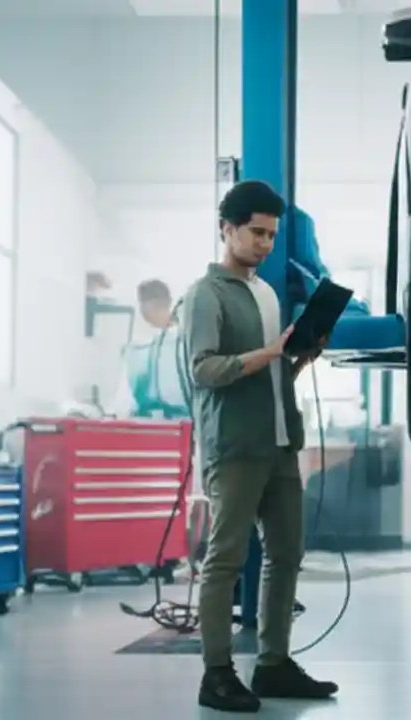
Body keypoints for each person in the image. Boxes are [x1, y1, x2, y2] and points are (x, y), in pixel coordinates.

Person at [182, 180, 337, 713]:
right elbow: (204, 370)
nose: (266, 244)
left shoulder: (267, 294)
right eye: (256, 233)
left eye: (271, 235)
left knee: (286, 553)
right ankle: (217, 674)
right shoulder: (206, 295)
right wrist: (270, 352)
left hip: (279, 443)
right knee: (225, 558)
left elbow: (269, 375)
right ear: (226, 229)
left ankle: (273, 664)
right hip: (235, 445)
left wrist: (296, 359)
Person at [124, 279, 189, 420]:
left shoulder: (142, 346)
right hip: (180, 421)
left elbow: (128, 397)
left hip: (158, 421)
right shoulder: (184, 339)